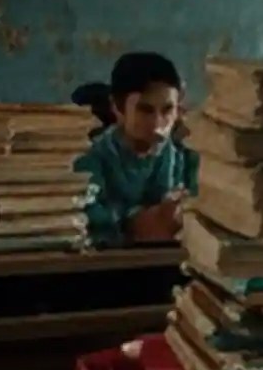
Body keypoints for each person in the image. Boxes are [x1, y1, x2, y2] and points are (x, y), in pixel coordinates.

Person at [75, 51, 199, 247]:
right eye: (145, 110)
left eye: (167, 110)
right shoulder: (88, 161)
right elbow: (83, 218)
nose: (158, 124)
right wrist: (133, 223)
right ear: (117, 107)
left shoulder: (189, 158)